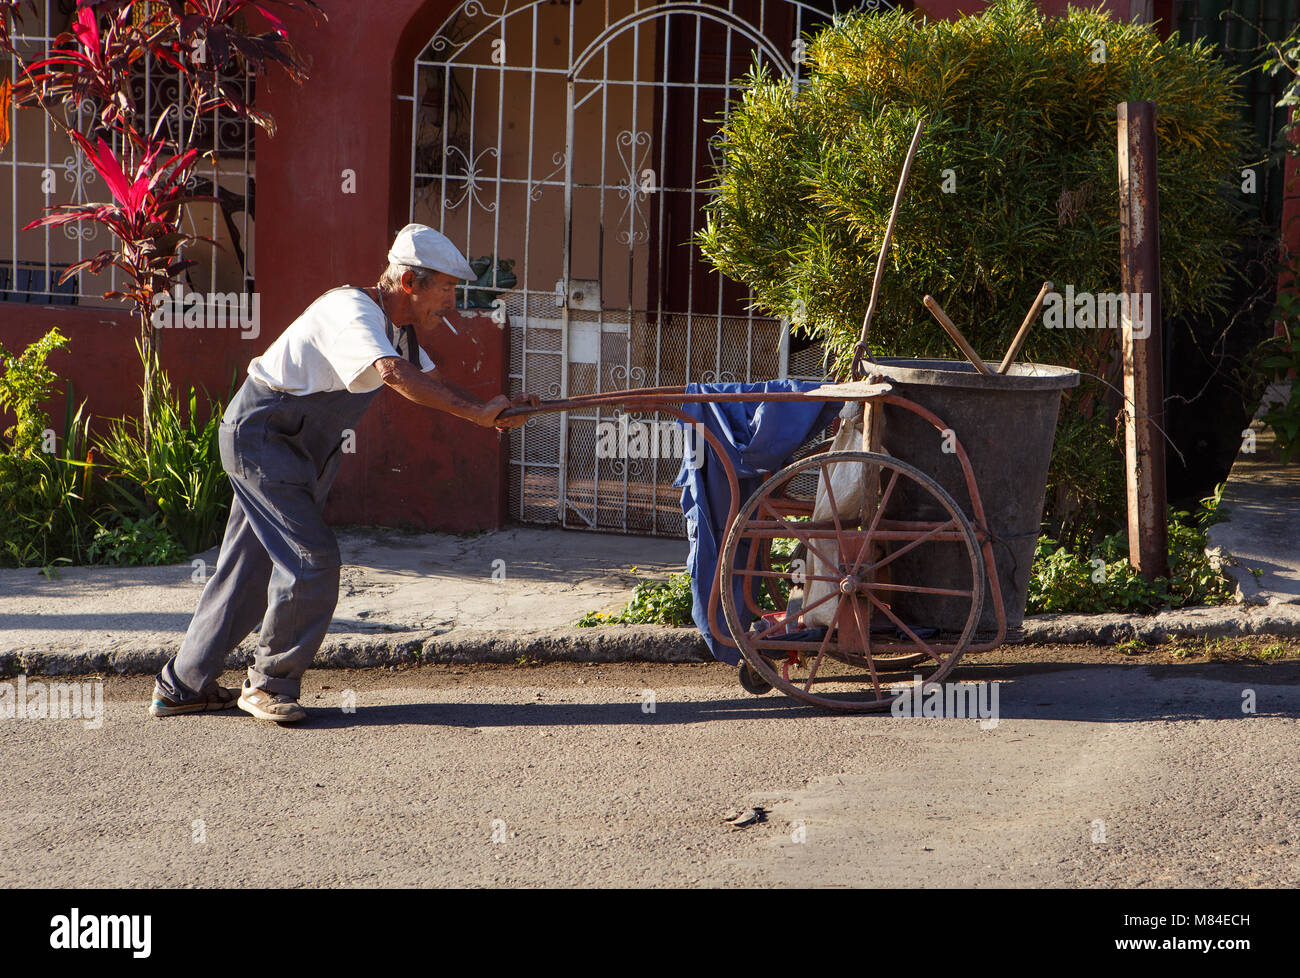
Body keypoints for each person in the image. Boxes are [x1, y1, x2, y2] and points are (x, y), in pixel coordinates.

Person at [149, 224, 536, 723]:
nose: (452, 302)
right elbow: (395, 376)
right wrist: (479, 412)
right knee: (312, 558)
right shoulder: (352, 311)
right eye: (446, 288)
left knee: (246, 570)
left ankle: (182, 686)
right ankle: (269, 683)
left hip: (298, 451)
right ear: (410, 283)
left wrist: (495, 410)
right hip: (265, 439)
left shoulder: (397, 331)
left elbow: (431, 383)